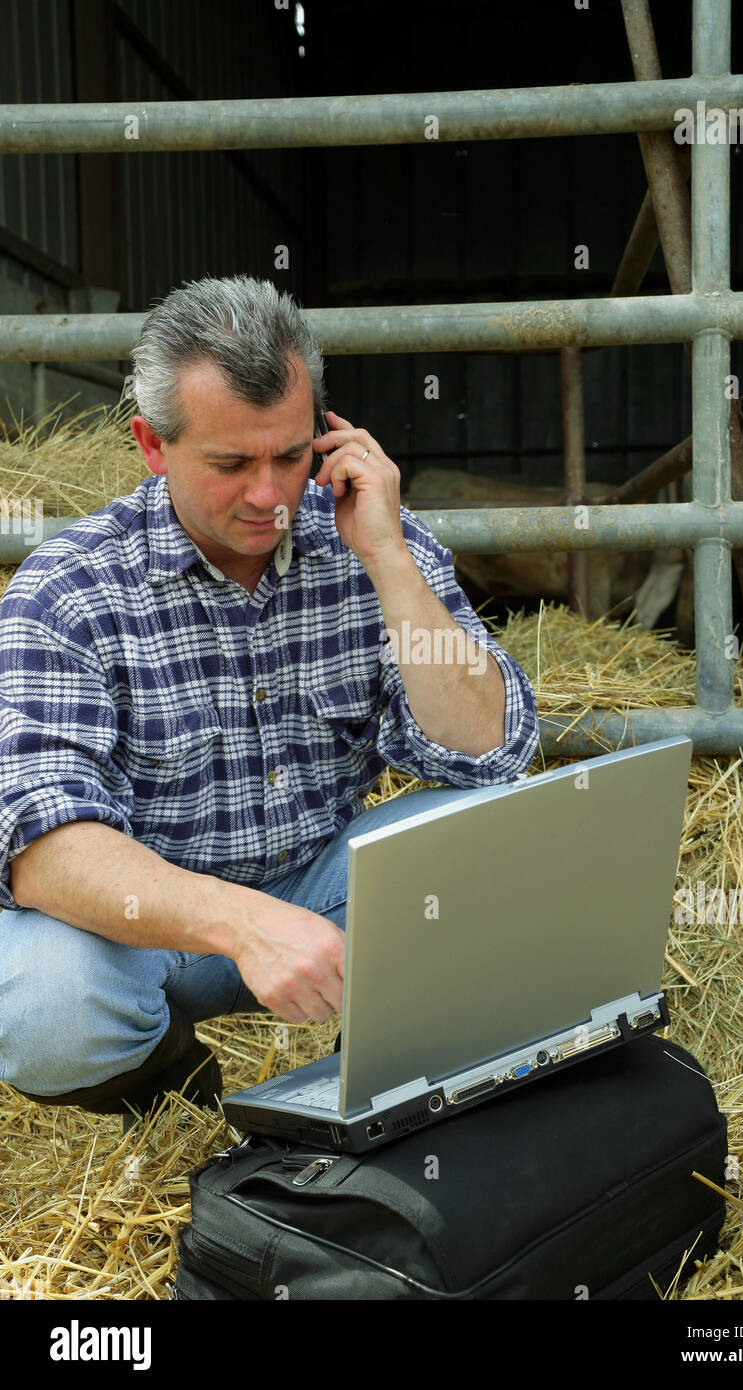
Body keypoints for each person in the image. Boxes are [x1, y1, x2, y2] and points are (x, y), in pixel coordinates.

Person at [0, 276, 539, 1126]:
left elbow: (490, 753)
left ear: (327, 434)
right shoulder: (68, 586)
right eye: (231, 463)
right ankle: (181, 1097)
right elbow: (42, 846)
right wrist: (241, 925)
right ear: (151, 444)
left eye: (289, 456)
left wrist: (389, 559)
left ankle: (367, 1102)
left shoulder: (368, 535)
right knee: (45, 1002)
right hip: (142, 931)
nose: (268, 496)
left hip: (324, 893)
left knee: (509, 836)